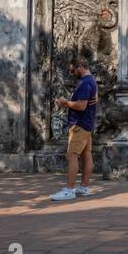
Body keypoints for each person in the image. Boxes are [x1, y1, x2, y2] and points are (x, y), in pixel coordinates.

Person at [50, 58, 98, 201]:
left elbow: (82, 106)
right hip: (87, 124)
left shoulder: (84, 83)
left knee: (72, 156)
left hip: (79, 125)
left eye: (73, 70)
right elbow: (93, 99)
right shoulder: (92, 81)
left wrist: (65, 103)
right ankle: (84, 187)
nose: (72, 73)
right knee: (86, 155)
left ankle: (69, 190)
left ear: (80, 66)